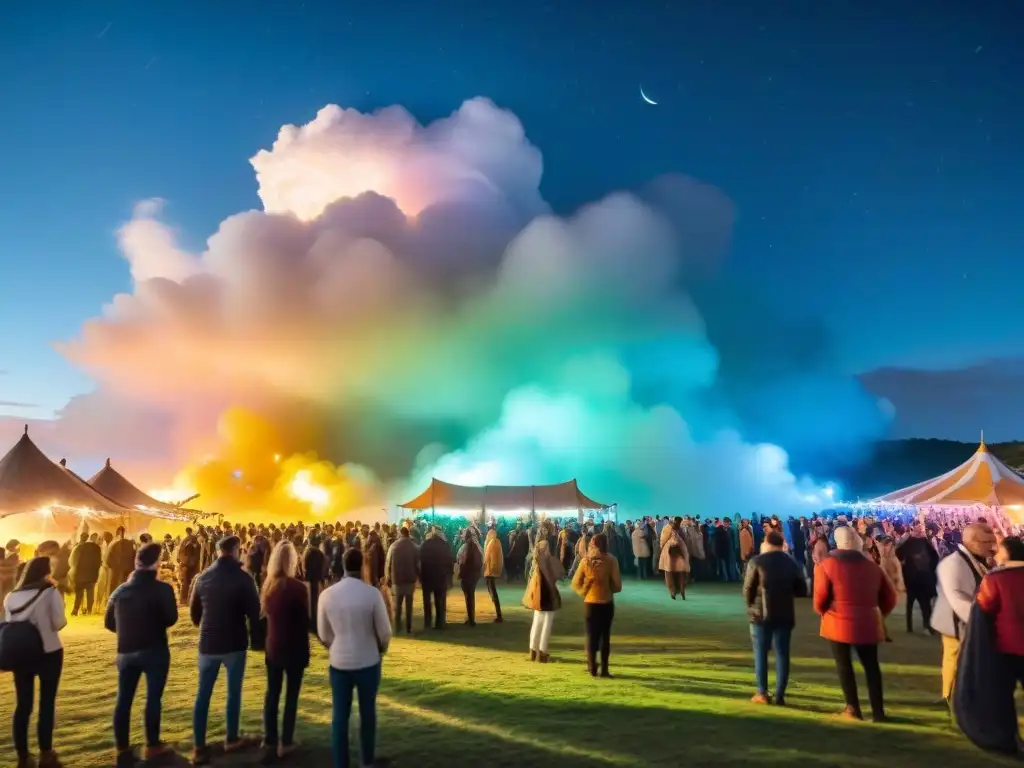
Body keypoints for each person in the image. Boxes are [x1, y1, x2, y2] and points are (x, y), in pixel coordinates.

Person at [189, 535, 262, 766]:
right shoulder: (243, 578)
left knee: (203, 694)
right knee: (233, 693)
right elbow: (255, 611)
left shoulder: (203, 577)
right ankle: (231, 738)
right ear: (235, 551)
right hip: (234, 642)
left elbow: (194, 614)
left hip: (208, 642)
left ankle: (199, 746)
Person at [813, 525, 897, 722]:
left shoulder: (826, 565)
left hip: (838, 623)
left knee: (844, 665)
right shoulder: (872, 566)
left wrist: (825, 611)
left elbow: (819, 599)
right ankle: (878, 711)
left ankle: (852, 708)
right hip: (868, 623)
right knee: (871, 667)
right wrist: (879, 613)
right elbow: (890, 597)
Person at [105, 542, 179, 767]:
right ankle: (153, 744)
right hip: (154, 648)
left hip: (126, 650)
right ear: (157, 562)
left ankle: (122, 747)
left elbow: (109, 622)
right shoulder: (162, 589)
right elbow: (171, 618)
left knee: (124, 699)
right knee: (152, 697)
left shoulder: (120, 590)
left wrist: (128, 629)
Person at [318, 548, 392, 768]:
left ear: (342, 565)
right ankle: (367, 761)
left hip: (339, 660)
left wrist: (337, 644)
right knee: (367, 714)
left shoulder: (327, 595)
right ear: (362, 566)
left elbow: (323, 634)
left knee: (340, 717)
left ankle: (341, 763)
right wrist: (381, 648)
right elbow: (385, 632)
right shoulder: (371, 594)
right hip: (368, 659)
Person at [4, 556, 67, 768]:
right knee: (46, 703)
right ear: (45, 571)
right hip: (48, 651)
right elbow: (59, 622)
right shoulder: (49, 591)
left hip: (21, 653)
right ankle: (46, 753)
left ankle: (23, 755)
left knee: (23, 704)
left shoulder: (11, 597)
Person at [931, 522, 994, 704]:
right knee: (955, 658)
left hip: (965, 619)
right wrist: (980, 621)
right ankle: (949, 696)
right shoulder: (954, 563)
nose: (991, 546)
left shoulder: (976, 560)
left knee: (961, 659)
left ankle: (954, 695)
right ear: (972, 542)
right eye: (986, 542)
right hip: (955, 621)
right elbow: (958, 599)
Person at [742, 530, 808, 704]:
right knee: (782, 654)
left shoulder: (756, 561)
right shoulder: (791, 562)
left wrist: (750, 607)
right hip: (784, 614)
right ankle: (780, 695)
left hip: (759, 615)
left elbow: (748, 589)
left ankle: (762, 692)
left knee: (761, 654)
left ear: (766, 543)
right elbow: (802, 590)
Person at [261, 540, 310, 763]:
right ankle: (285, 741)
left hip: (273, 646)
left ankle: (270, 738)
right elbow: (304, 621)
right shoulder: (298, 588)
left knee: (272, 693)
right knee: (290, 696)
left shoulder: (268, 586)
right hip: (294, 647)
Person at [572, 532, 622, 678]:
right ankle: (604, 670)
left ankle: (592, 667)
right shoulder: (611, 560)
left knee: (591, 636)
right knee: (605, 637)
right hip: (606, 602)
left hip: (590, 603)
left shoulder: (585, 561)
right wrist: (607, 588)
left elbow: (575, 583)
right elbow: (618, 586)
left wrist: (585, 590)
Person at [523, 539, 565, 662]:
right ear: (546, 549)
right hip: (548, 595)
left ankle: (533, 650)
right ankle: (542, 652)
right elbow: (558, 574)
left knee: (536, 623)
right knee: (547, 624)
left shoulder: (535, 562)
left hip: (538, 596)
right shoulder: (548, 561)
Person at [896, 519, 939, 634]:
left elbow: (935, 557)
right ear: (912, 528)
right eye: (917, 527)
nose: (919, 529)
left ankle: (927, 625)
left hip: (923, 578)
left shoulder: (925, 542)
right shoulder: (908, 542)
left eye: (920, 527)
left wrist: (931, 571)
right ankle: (911, 626)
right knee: (912, 604)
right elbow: (898, 553)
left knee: (925, 604)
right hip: (912, 579)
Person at [385, 527, 420, 634]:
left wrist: (388, 578)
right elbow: (417, 564)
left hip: (397, 579)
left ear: (400, 534)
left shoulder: (394, 546)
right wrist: (418, 576)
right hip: (410, 579)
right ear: (408, 534)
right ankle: (408, 627)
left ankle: (397, 627)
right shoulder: (414, 547)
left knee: (398, 605)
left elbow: (388, 563)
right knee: (409, 605)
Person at [418, 527, 453, 630]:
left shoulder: (424, 545)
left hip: (427, 577)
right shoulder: (445, 545)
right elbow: (450, 562)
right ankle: (440, 623)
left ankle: (428, 623)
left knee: (427, 602)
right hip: (441, 577)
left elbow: (419, 561)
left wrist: (420, 576)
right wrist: (449, 576)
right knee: (440, 601)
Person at [69, 532, 102, 616]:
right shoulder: (97, 548)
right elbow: (98, 562)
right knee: (90, 593)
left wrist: (74, 571)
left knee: (79, 594)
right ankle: (89, 610)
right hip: (92, 575)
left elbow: (73, 561)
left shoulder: (79, 547)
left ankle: (75, 610)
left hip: (80, 575)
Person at [659, 518, 690, 599]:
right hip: (678, 553)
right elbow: (685, 540)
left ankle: (674, 591)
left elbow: (663, 540)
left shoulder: (668, 528)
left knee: (670, 573)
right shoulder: (679, 529)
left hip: (671, 553)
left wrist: (662, 548)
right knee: (681, 573)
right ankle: (681, 590)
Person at [457, 530, 483, 626]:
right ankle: (471, 618)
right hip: (475, 575)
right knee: (471, 596)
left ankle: (471, 619)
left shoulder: (464, 547)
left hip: (467, 574)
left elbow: (460, 559)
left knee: (468, 597)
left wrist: (460, 573)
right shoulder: (477, 546)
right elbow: (482, 558)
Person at [303, 534, 328, 633]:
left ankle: (311, 622)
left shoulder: (308, 551)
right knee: (315, 602)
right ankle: (315, 623)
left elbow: (305, 566)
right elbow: (322, 568)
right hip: (316, 579)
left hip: (309, 579)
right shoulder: (319, 553)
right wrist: (322, 579)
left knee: (310, 602)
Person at [483, 528, 504, 623]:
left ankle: (499, 615)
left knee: (493, 593)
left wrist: (491, 570)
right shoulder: (494, 542)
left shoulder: (493, 543)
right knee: (492, 592)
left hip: (490, 572)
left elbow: (492, 558)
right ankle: (498, 614)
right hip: (490, 571)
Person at [105, 527, 137, 593]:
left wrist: (115, 568)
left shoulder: (114, 545)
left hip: (116, 576)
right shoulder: (131, 545)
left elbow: (108, 562)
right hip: (127, 576)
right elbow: (135, 560)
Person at [176, 527, 202, 606]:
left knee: (185, 583)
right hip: (192, 565)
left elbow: (181, 553)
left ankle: (184, 600)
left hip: (186, 564)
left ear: (187, 532)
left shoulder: (185, 540)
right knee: (192, 583)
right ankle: (191, 600)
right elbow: (197, 552)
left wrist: (182, 562)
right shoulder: (193, 540)